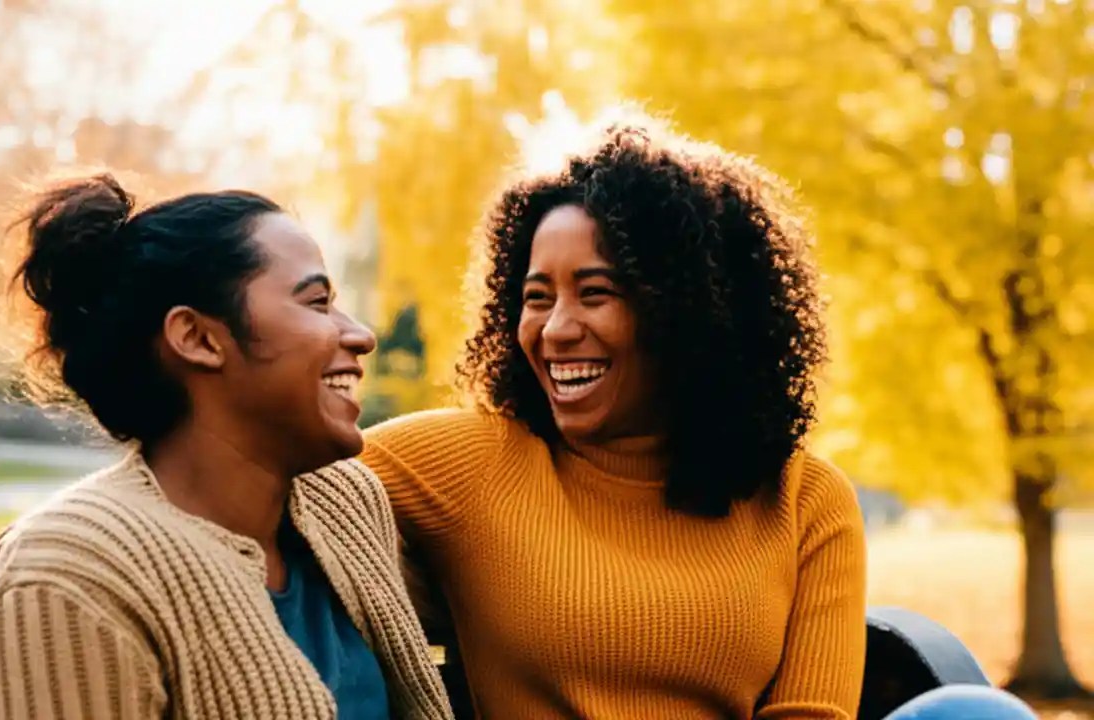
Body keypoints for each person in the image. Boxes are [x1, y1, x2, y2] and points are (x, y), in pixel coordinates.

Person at [311, 117, 1037, 718]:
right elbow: (263, 477)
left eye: (595, 293)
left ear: (691, 314)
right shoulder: (468, 461)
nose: (556, 329)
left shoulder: (805, 501)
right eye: (537, 297)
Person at [0, 174, 452, 720]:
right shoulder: (68, 577)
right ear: (198, 339)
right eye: (316, 303)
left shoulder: (344, 504)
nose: (361, 335)